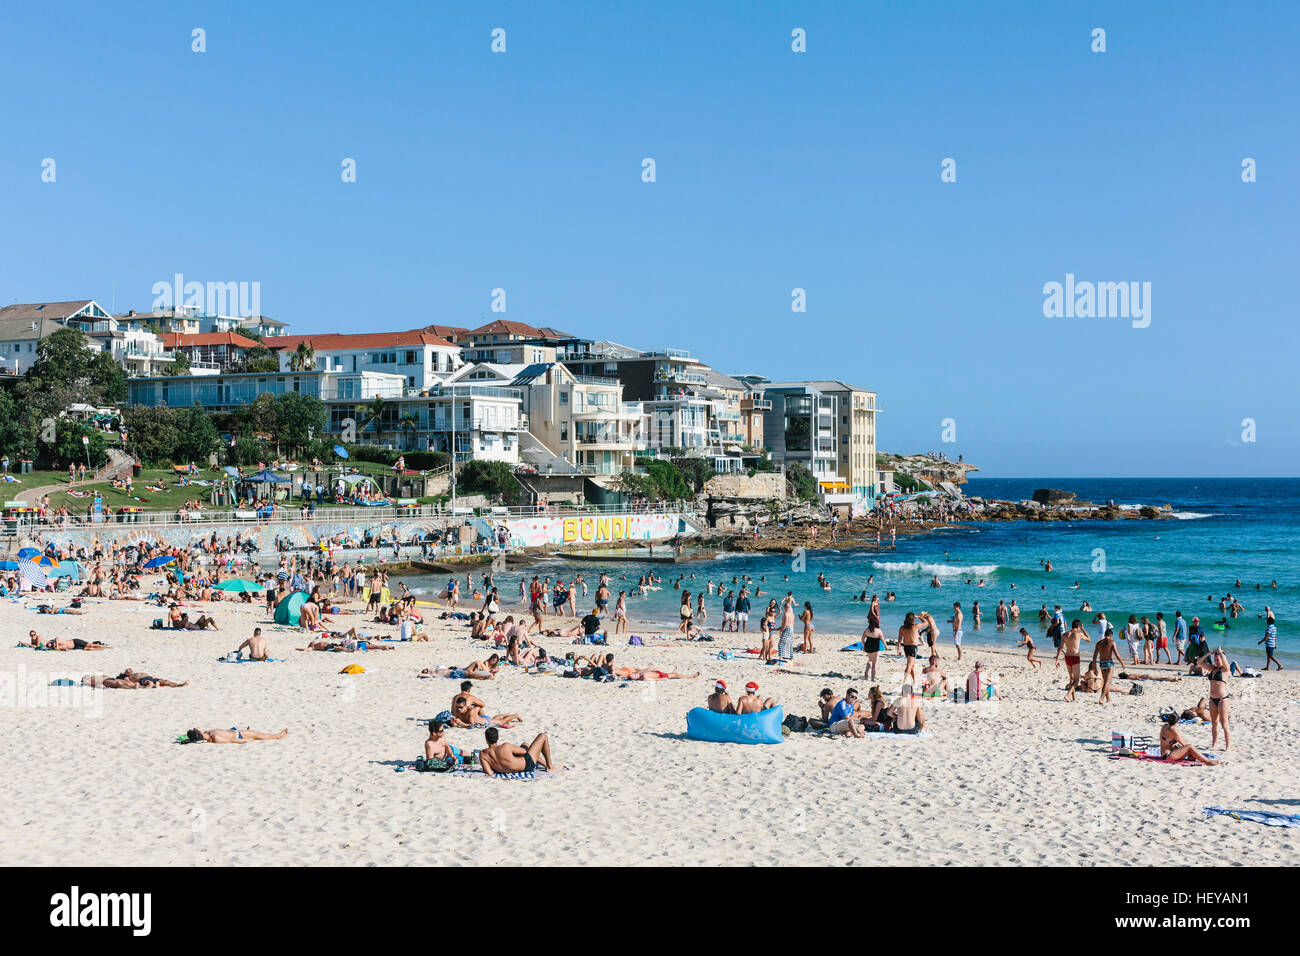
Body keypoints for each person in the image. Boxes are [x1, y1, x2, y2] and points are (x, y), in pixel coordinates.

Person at [1196, 647, 1232, 751]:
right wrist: (1209, 653)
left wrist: (1220, 653)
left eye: (1218, 659)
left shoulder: (1225, 669)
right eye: (1215, 659)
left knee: (1224, 723)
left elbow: (1227, 665)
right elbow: (1199, 662)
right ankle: (1214, 744)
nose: (1216, 661)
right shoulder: (1212, 668)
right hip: (1212, 700)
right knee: (1214, 723)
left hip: (1222, 699)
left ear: (1222, 658)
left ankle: (1228, 746)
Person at [479, 727, 555, 776]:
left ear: (486, 740)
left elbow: (489, 773)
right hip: (527, 765)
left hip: (506, 769)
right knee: (542, 736)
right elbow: (525, 752)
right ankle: (549, 766)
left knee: (524, 744)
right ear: (498, 738)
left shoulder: (483, 754)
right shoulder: (506, 746)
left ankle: (545, 765)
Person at [1091, 627, 1123, 704]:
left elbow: (1094, 656)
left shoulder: (1099, 643)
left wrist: (1094, 667)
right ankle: (1101, 698)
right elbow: (1117, 655)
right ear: (1111, 635)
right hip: (1109, 663)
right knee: (1107, 683)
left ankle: (1108, 698)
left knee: (1105, 682)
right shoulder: (1112, 642)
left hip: (1102, 663)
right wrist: (1122, 663)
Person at [186, 727, 288, 744]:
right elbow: (232, 740)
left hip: (234, 731)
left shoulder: (207, 732)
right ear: (198, 733)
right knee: (258, 734)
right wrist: (248, 740)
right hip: (239, 735)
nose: (196, 728)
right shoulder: (214, 738)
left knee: (255, 733)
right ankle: (278, 736)